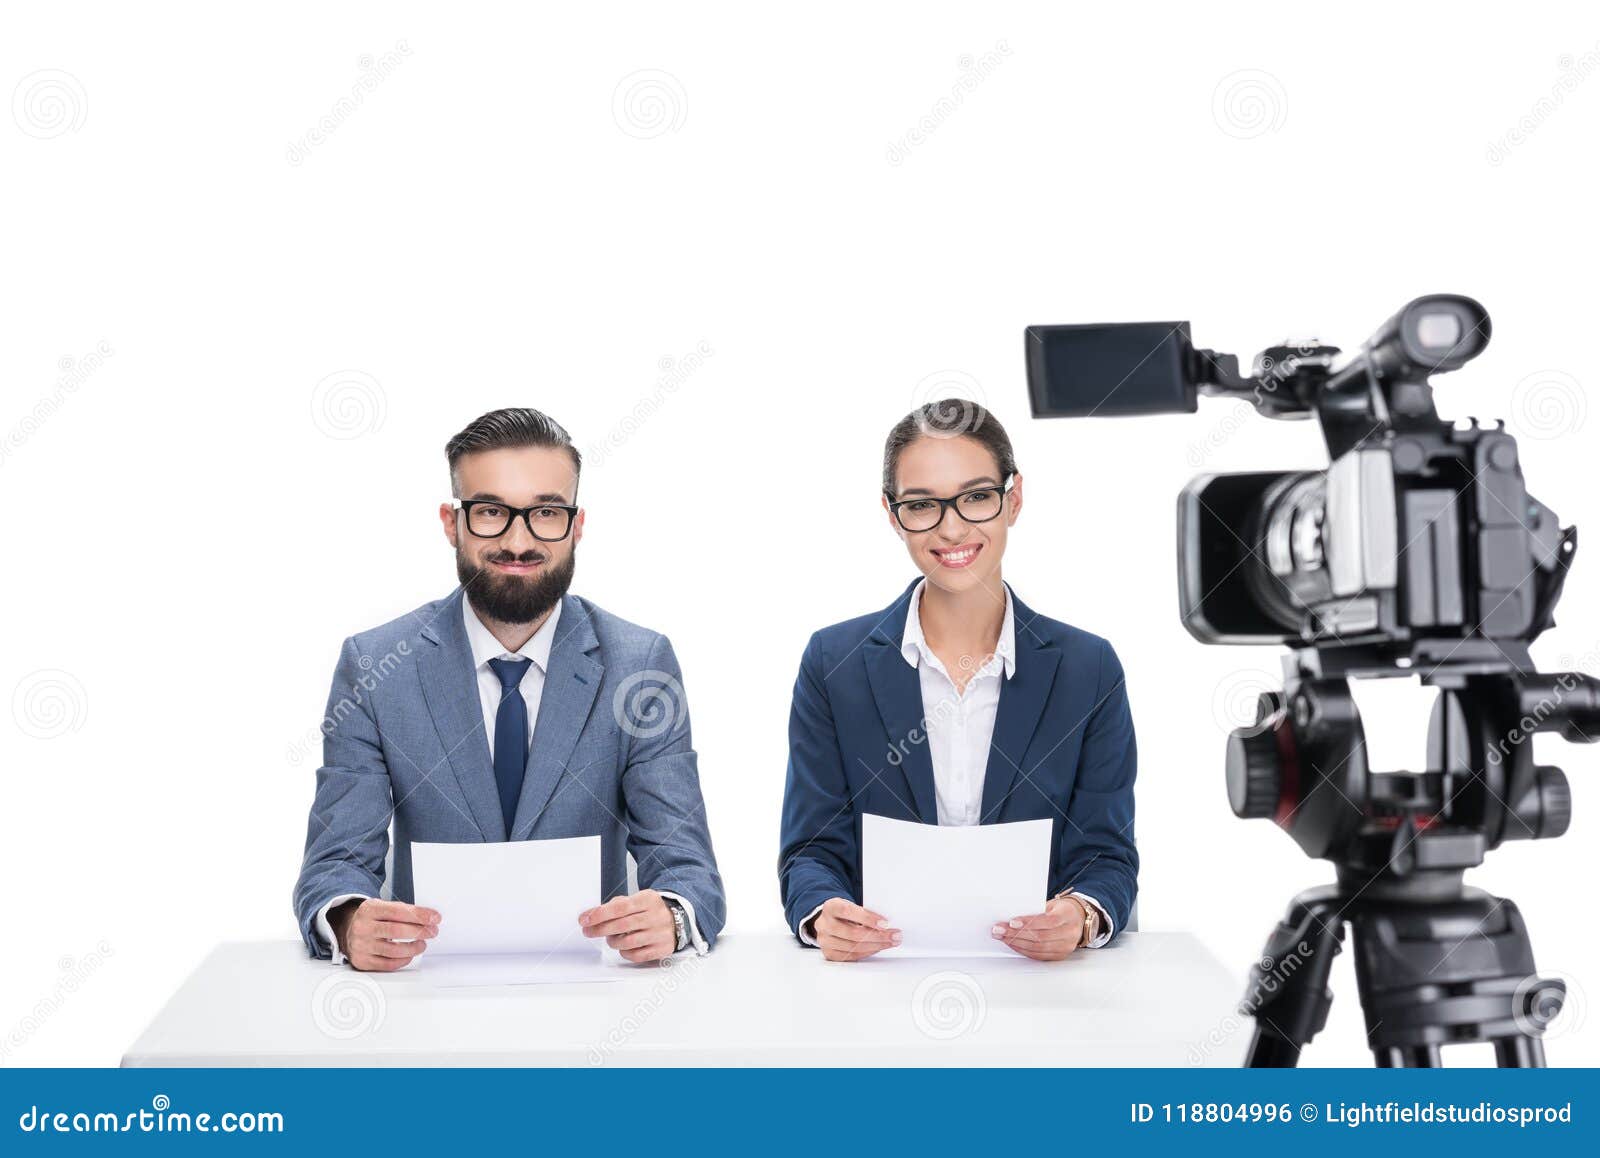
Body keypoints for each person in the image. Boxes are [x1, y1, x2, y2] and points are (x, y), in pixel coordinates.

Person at [293, 407, 724, 969]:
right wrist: (349, 921)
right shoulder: (376, 666)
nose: (518, 541)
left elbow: (688, 866)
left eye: (545, 512)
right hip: (422, 995)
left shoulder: (640, 665)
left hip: (594, 992)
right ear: (452, 523)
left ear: (576, 525)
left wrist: (671, 915)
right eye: (491, 511)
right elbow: (334, 863)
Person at [779, 400, 1137, 962]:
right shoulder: (833, 663)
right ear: (893, 515)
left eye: (975, 497)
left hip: (1042, 986)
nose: (951, 528)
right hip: (882, 977)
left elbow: (1107, 855)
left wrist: (1082, 913)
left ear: (1013, 499)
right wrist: (825, 912)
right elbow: (810, 850)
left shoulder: (1089, 669)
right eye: (922, 505)